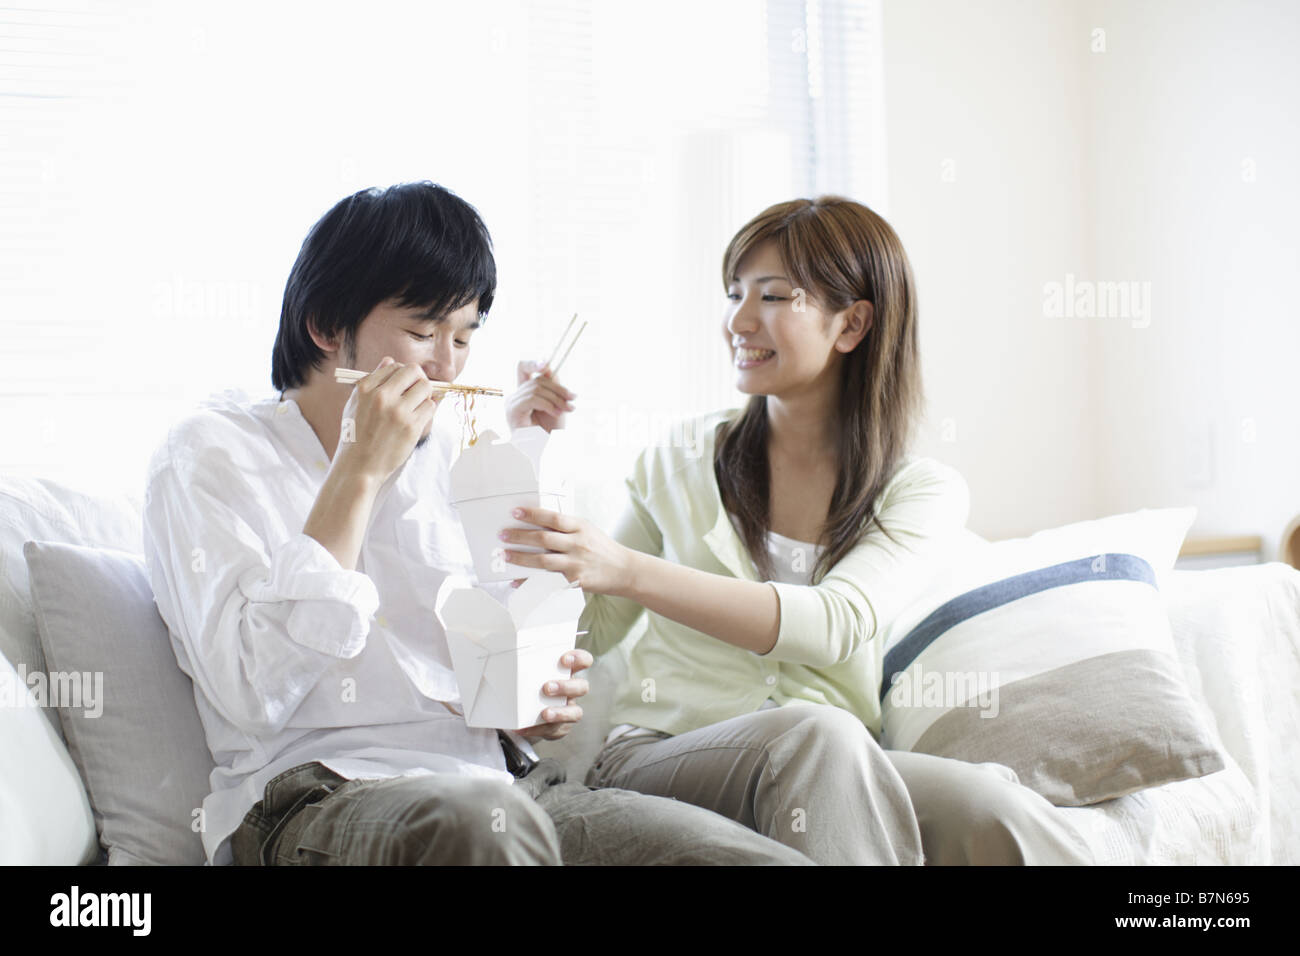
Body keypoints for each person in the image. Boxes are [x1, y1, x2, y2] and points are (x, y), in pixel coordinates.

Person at [141, 181, 812, 866]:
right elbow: (250, 690)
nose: (446, 364)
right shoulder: (210, 454)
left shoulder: (454, 465)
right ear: (323, 326)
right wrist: (358, 471)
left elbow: (488, 680)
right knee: (480, 821)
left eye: (464, 337)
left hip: (494, 783)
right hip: (312, 797)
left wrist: (526, 711)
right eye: (422, 332)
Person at [499, 196, 1095, 865]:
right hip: (661, 752)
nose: (740, 320)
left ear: (853, 325)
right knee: (821, 736)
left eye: (775, 295)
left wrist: (628, 567)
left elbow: (835, 622)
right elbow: (593, 626)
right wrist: (529, 461)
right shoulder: (681, 459)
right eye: (734, 293)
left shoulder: (917, 490)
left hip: (836, 765)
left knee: (996, 812)